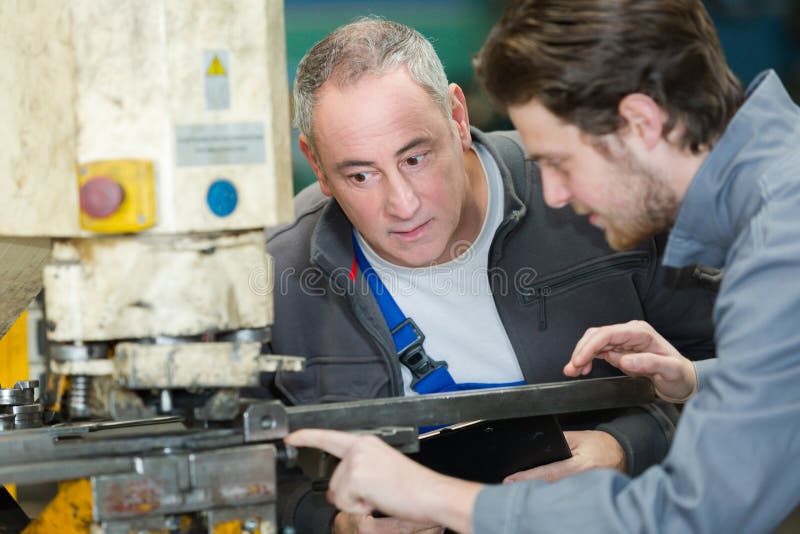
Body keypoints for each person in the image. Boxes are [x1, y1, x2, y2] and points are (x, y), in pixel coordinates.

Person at [284, 1, 800, 532]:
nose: (551, 193)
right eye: (361, 175)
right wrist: (692, 380)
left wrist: (435, 496)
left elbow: (686, 514)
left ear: (641, 122)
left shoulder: (780, 244)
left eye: (559, 161)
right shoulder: (780, 196)